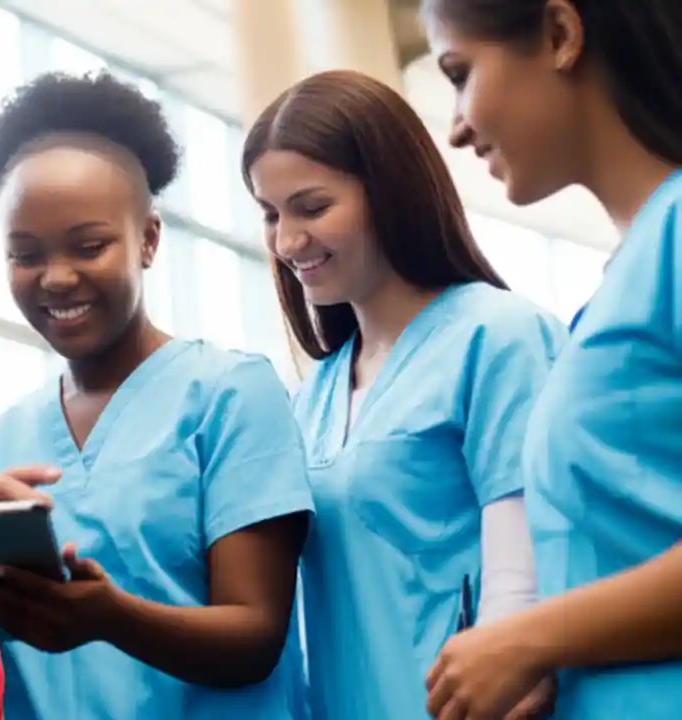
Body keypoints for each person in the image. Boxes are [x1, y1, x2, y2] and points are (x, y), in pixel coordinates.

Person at [0, 71, 315, 720]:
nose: (55, 277)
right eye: (25, 253)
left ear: (149, 240)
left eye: (89, 246)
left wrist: (111, 619)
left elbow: (256, 638)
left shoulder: (230, 396)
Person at [241, 69, 567, 720]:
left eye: (312, 207)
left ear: (389, 191)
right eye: (272, 214)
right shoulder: (313, 400)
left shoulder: (497, 338)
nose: (287, 241)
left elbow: (522, 579)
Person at [421, 1, 682, 718]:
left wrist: (532, 639)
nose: (456, 126)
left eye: (459, 72)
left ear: (562, 35)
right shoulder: (610, 298)